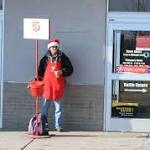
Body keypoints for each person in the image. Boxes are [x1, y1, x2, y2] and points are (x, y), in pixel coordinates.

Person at [38, 38, 73, 132]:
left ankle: (58, 126)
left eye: (56, 47)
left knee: (58, 108)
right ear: (49, 48)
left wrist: (61, 72)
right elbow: (40, 73)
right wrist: (37, 82)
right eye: (53, 47)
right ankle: (43, 125)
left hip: (58, 86)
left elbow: (70, 69)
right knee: (44, 108)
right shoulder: (45, 59)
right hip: (47, 87)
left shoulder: (63, 57)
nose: (54, 48)